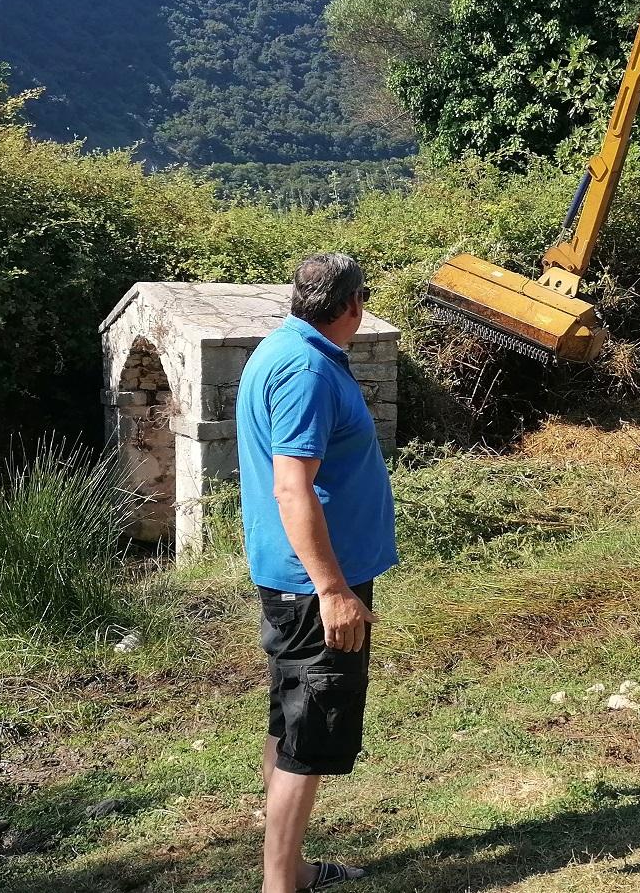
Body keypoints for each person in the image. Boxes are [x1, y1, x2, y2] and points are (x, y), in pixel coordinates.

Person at [237, 253, 397, 893]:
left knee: (290, 720)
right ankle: (283, 885)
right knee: (311, 730)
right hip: (312, 588)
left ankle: (291, 868)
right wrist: (332, 590)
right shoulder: (305, 369)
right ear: (352, 304)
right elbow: (292, 488)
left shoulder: (287, 348)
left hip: (300, 582)